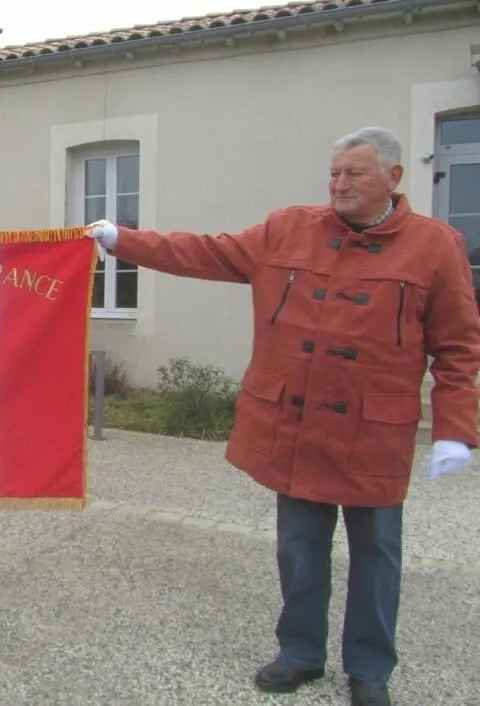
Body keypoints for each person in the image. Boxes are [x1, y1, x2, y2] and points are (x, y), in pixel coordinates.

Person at [85, 126, 479, 706]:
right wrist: (123, 239)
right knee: (299, 545)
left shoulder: (435, 246)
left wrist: (455, 431)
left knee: (376, 551)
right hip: (295, 425)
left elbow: (458, 347)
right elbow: (205, 252)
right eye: (335, 172)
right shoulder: (289, 228)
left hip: (374, 432)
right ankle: (300, 651)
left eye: (356, 174)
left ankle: (370, 667)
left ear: (394, 179)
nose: (340, 184)